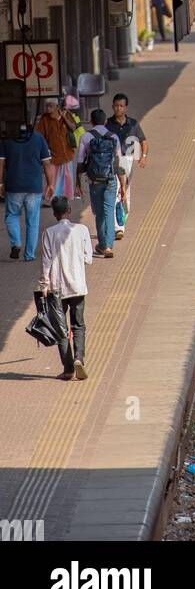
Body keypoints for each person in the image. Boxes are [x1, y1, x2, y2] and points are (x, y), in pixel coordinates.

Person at [39, 195, 92, 380]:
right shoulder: (82, 230)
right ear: (69, 210)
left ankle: (68, 369)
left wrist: (44, 285)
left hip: (57, 289)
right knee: (78, 325)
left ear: (54, 214)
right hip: (78, 286)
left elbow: (46, 262)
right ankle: (79, 358)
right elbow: (88, 258)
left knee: (61, 329)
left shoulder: (49, 233)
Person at [0, 124, 53, 261]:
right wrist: (50, 184)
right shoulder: (38, 138)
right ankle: (29, 255)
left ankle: (16, 243)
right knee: (33, 221)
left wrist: (0, 183)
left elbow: (1, 163)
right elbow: (47, 163)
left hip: (13, 185)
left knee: (12, 216)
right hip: (34, 187)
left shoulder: (7, 139)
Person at [76, 109, 122, 258]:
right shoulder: (114, 137)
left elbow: (80, 162)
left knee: (99, 213)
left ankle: (102, 245)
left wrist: (78, 183)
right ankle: (108, 246)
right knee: (109, 210)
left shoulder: (86, 137)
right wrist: (122, 181)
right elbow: (117, 162)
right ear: (105, 121)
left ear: (91, 121)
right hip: (110, 180)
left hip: (94, 181)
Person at [105, 93, 148, 238]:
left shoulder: (134, 124)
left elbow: (143, 141)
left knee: (126, 193)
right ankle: (119, 227)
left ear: (126, 107)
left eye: (121, 106)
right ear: (112, 106)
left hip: (127, 160)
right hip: (113, 161)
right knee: (117, 190)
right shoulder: (108, 124)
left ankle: (122, 221)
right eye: (116, 106)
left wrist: (143, 156)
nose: (118, 109)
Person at [35, 98, 79, 204]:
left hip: (66, 153)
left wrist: (64, 117)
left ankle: (65, 198)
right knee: (52, 177)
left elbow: (73, 127)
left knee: (66, 177)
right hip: (52, 154)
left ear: (57, 107)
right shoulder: (44, 119)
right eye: (47, 106)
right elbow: (39, 135)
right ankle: (51, 198)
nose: (48, 108)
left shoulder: (66, 114)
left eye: (50, 106)